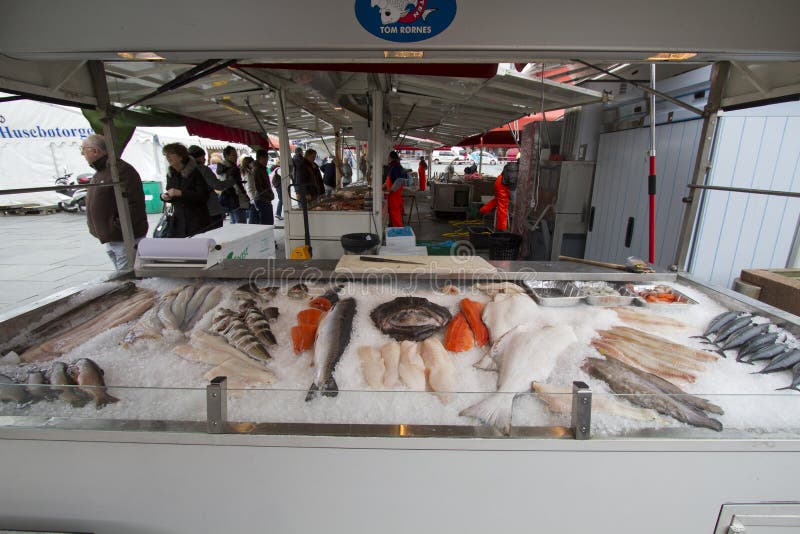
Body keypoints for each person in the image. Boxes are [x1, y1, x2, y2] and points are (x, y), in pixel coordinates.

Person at [81, 134, 148, 271]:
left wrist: (116, 226)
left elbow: (134, 205)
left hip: (124, 237)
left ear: (95, 151)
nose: (82, 154)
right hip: (113, 237)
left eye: (84, 150)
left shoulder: (120, 171)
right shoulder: (102, 171)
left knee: (128, 277)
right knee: (123, 276)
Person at [161, 143, 211, 237]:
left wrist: (181, 193)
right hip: (178, 221)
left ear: (180, 157)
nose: (167, 157)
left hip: (196, 220)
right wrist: (165, 197)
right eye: (166, 155)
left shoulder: (195, 173)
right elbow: (171, 193)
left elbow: (203, 196)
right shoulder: (170, 174)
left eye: (170, 154)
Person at [188, 145, 226, 230]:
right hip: (210, 208)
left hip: (195, 211)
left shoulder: (185, 170)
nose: (205, 159)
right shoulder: (203, 169)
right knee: (215, 233)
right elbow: (217, 185)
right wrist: (230, 181)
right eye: (203, 157)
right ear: (197, 157)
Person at [216, 146, 249, 224]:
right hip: (236, 198)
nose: (236, 157)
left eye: (236, 155)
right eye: (233, 155)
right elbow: (236, 185)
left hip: (227, 198)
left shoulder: (222, 167)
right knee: (241, 224)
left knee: (234, 223)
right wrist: (244, 195)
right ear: (227, 156)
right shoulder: (232, 168)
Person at [248, 149, 275, 225]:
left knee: (267, 223)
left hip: (264, 200)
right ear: (260, 158)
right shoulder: (257, 170)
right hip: (262, 201)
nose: (267, 161)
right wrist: (270, 195)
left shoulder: (261, 169)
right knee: (266, 224)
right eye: (266, 159)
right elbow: (258, 189)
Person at [384, 150, 404, 228]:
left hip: (394, 194)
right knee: (393, 213)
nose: (387, 158)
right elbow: (391, 179)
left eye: (388, 157)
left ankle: (399, 231)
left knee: (395, 213)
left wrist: (390, 190)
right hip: (393, 195)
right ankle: (395, 230)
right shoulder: (393, 166)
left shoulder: (396, 167)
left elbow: (399, 181)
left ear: (391, 157)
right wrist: (385, 185)